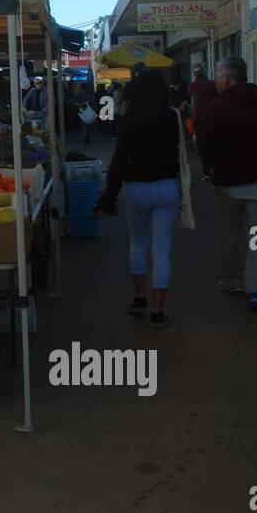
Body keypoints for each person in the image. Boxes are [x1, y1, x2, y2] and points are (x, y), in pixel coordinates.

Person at [195, 56, 257, 311]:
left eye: (217, 77)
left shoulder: (217, 108)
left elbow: (203, 142)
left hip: (228, 184)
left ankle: (233, 280)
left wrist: (213, 163)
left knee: (230, 235)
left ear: (226, 78)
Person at [95, 71, 183, 327]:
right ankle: (158, 311)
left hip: (136, 189)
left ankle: (140, 297)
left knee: (138, 242)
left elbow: (119, 159)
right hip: (167, 187)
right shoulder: (172, 116)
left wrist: (109, 194)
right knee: (162, 251)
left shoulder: (129, 119)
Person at [187, 64, 218, 177]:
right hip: (211, 116)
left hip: (198, 118)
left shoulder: (193, 85)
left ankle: (206, 171)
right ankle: (215, 167)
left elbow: (190, 93)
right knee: (213, 142)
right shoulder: (212, 84)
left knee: (202, 143)